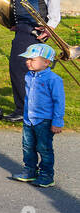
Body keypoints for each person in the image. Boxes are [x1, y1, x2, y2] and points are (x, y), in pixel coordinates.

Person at [3, 0, 60, 124]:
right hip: (23, 28)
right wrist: (15, 23)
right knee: (20, 69)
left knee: (21, 69)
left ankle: (25, 110)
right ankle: (29, 109)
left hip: (34, 29)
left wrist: (51, 25)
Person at [12, 43, 63, 187]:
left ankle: (47, 176)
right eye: (27, 59)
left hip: (45, 120)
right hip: (29, 119)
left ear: (46, 62)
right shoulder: (29, 75)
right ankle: (30, 171)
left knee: (44, 148)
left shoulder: (53, 80)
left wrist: (57, 121)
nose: (27, 62)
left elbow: (59, 102)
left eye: (32, 59)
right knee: (28, 146)